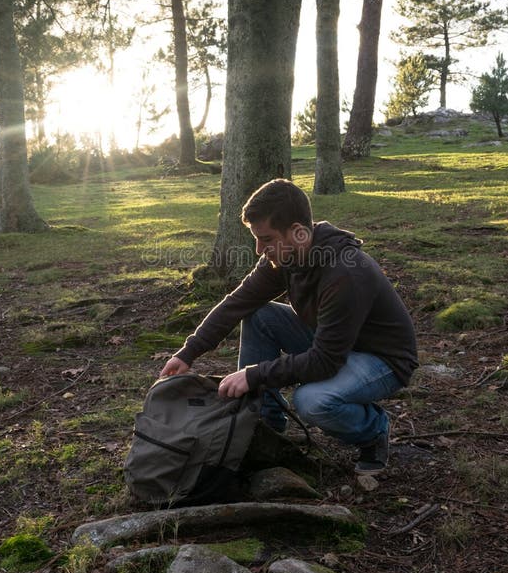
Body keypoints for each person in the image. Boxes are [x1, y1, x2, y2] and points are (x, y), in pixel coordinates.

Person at [161, 179, 417, 472]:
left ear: (297, 231)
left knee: (311, 401)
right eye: (256, 239)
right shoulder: (285, 256)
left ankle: (374, 431)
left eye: (266, 239)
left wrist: (254, 375)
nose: (259, 249)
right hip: (333, 342)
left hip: (382, 359)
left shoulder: (345, 273)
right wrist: (188, 352)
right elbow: (238, 302)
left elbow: (324, 362)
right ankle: (265, 424)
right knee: (260, 315)